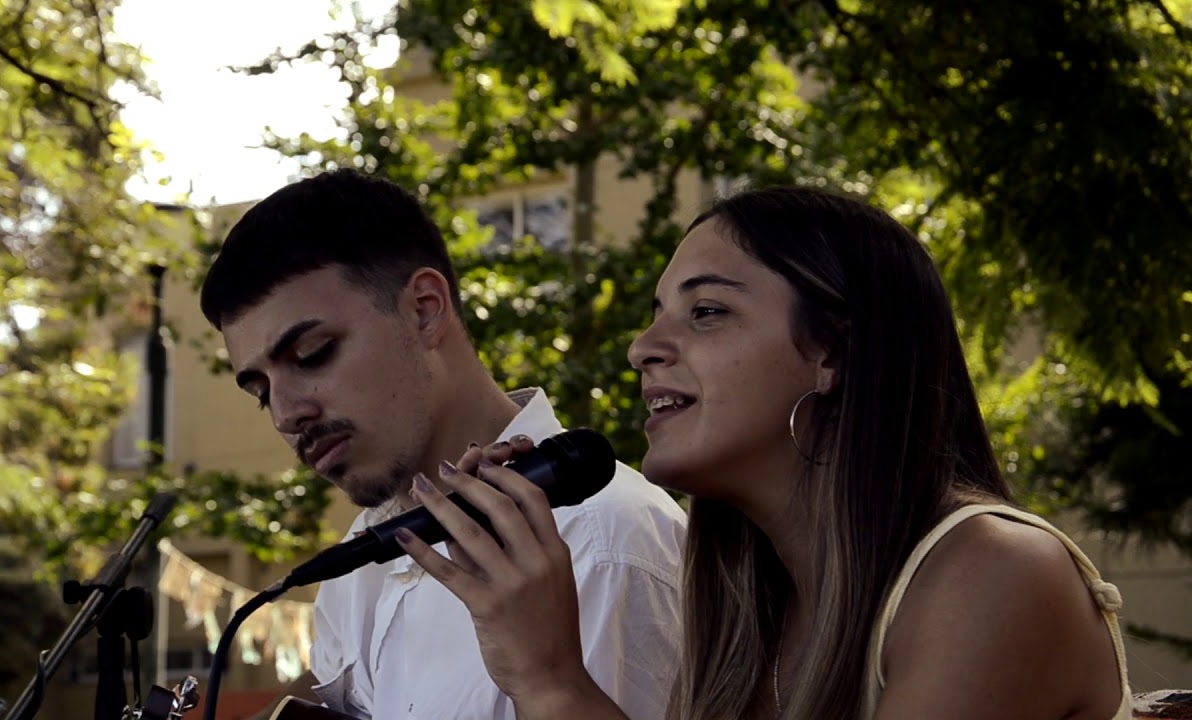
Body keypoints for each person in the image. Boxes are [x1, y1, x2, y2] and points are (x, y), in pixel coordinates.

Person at [394, 186, 1135, 720]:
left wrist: (552, 678)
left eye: (706, 312)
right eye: (657, 317)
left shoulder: (994, 574)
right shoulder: (748, 615)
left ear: (833, 351)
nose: (641, 349)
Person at [197, 169, 687, 720]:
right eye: (261, 392)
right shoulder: (356, 566)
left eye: (313, 354)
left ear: (425, 309)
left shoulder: (604, 541)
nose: (287, 414)